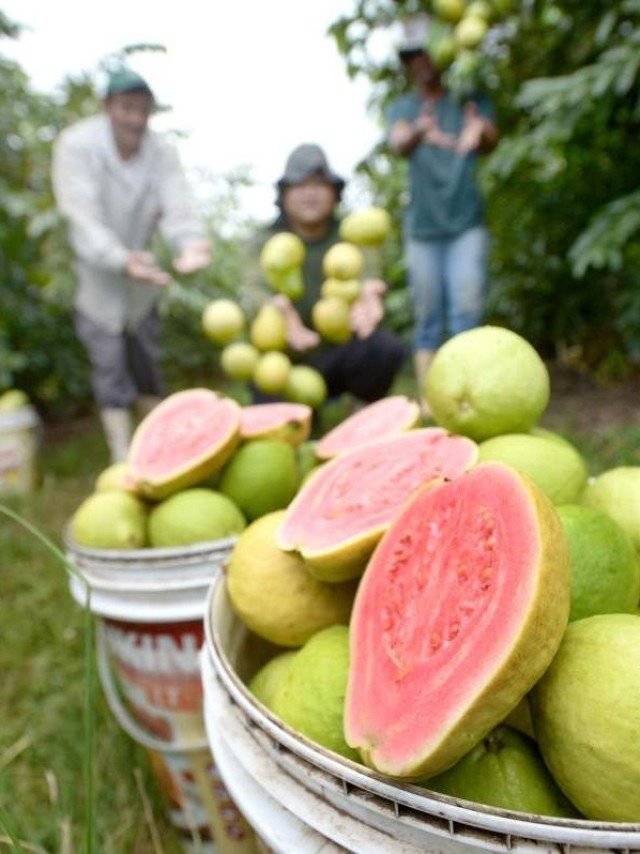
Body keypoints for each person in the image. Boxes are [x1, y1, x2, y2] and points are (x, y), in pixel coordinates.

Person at [51, 67, 211, 462]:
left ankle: (162, 455)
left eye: (143, 110)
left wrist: (190, 244)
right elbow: (81, 216)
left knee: (146, 367)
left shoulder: (161, 151)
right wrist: (119, 259)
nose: (135, 119)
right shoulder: (77, 145)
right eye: (126, 108)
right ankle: (122, 460)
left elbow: (178, 204)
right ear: (108, 107)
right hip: (98, 281)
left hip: (143, 282)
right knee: (109, 369)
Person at [386, 15, 499, 411]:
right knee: (428, 320)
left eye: (425, 51)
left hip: (465, 223)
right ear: (407, 62)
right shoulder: (404, 107)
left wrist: (479, 128)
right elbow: (398, 141)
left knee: (466, 312)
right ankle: (431, 404)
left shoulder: (468, 95)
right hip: (423, 229)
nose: (420, 60)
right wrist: (419, 130)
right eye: (411, 55)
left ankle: (471, 399)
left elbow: (489, 138)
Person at [248, 143, 406, 405]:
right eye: (299, 185)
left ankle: (363, 414)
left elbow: (367, 277)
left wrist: (369, 293)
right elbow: (255, 291)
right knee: (266, 375)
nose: (310, 193)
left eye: (319, 184)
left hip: (339, 353)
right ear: (284, 195)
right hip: (287, 359)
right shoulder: (263, 241)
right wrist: (278, 310)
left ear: (334, 193)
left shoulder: (352, 236)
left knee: (383, 347)